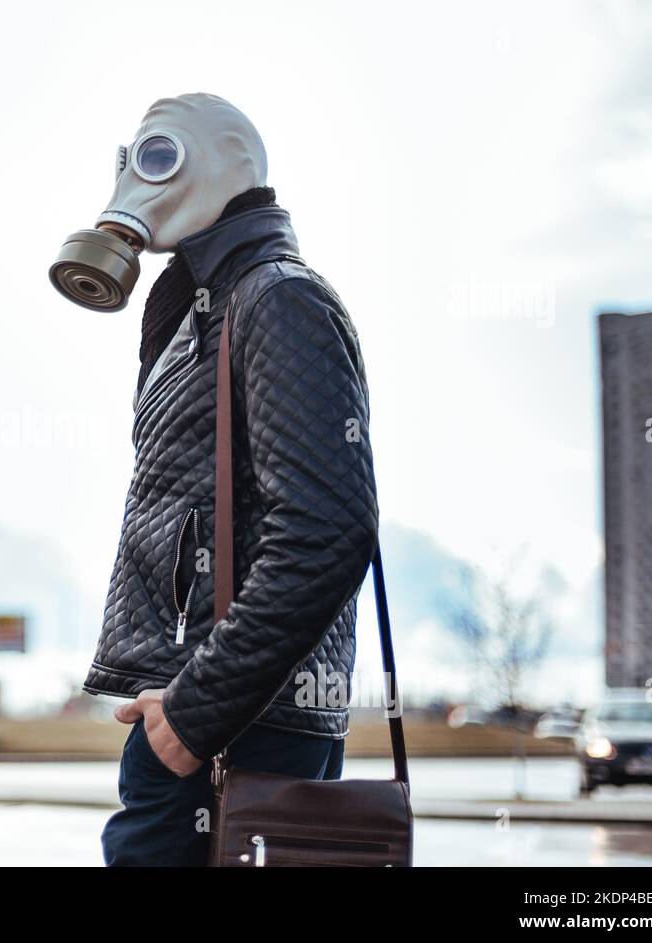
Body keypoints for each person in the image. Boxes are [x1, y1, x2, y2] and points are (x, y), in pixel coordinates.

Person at [49, 93, 379, 866]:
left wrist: (194, 717)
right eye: (130, 161)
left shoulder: (279, 299)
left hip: (230, 728)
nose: (138, 177)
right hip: (208, 717)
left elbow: (330, 531)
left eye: (157, 157)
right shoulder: (208, 305)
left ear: (219, 167)